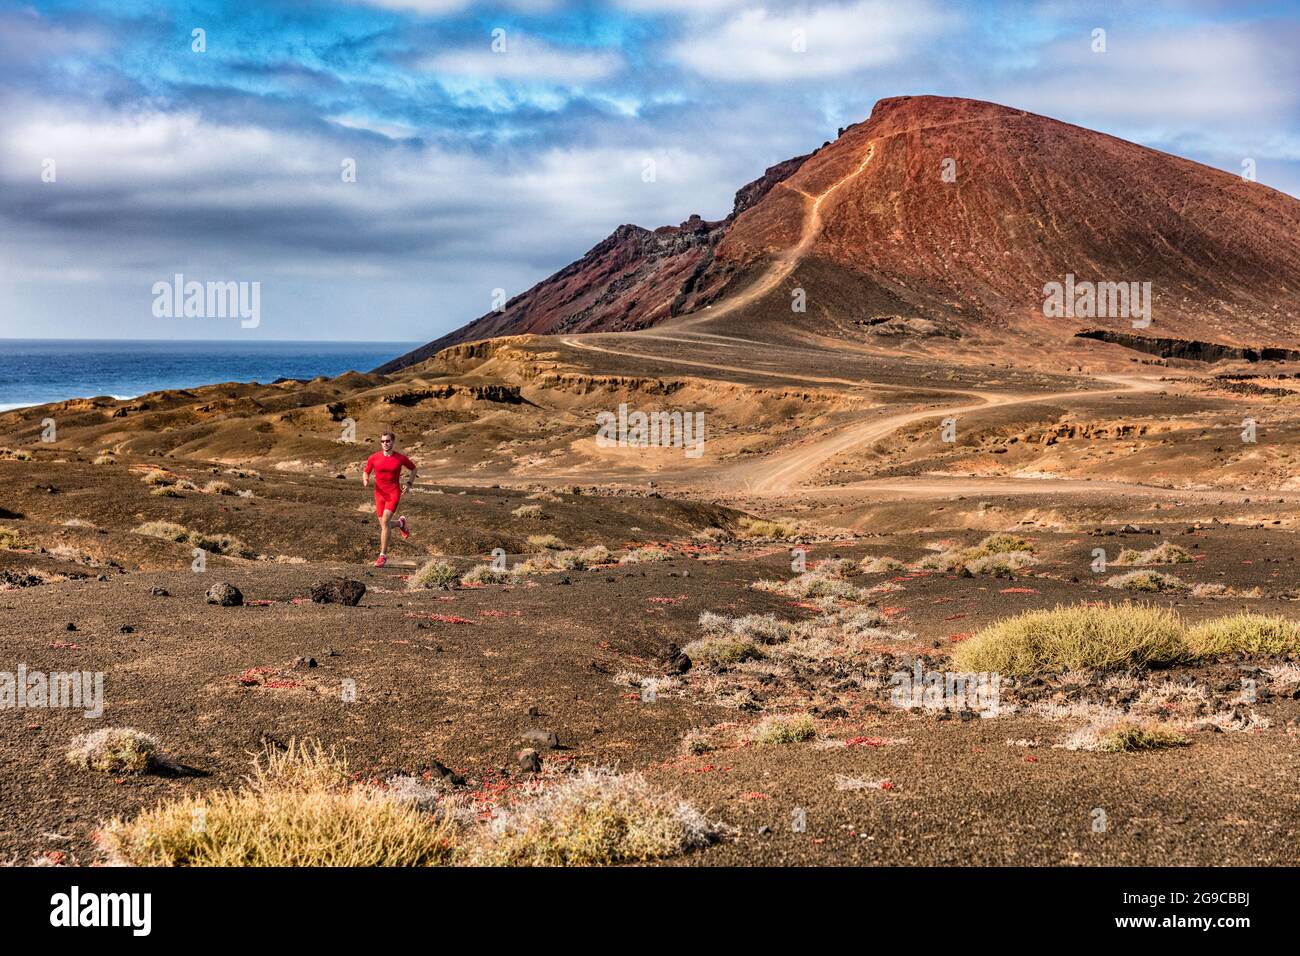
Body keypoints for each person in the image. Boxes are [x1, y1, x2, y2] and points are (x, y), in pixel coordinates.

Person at [362, 431, 417, 567]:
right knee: (384, 525)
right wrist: (366, 478)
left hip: (393, 493)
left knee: (385, 522)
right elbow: (366, 470)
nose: (385, 444)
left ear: (393, 442)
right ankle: (400, 524)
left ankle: (382, 556)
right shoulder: (374, 457)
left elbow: (413, 469)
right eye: (382, 441)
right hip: (379, 494)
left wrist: (409, 483)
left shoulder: (400, 458)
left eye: (387, 441)